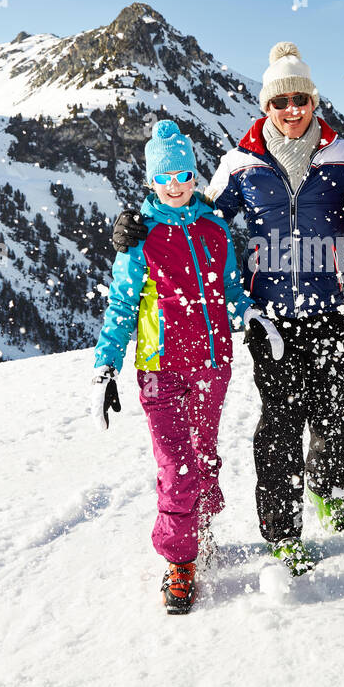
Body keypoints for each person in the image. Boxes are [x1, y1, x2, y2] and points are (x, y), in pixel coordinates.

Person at [111, 42, 344, 577]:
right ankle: (283, 534)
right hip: (269, 315)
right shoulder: (241, 164)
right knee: (280, 423)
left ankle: (325, 486)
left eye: (300, 98)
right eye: (280, 101)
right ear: (265, 107)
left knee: (338, 417)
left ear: (313, 101)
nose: (291, 109)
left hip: (328, 309)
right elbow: (199, 214)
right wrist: (138, 223)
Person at [91, 119, 283, 614]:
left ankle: (201, 528)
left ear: (195, 177)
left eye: (183, 176)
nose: (175, 186)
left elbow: (231, 289)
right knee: (176, 468)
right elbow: (120, 305)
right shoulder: (140, 236)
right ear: (151, 181)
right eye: (165, 178)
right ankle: (179, 561)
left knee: (205, 458)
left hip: (213, 365)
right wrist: (104, 367)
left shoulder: (214, 228)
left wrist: (252, 315)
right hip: (159, 369)